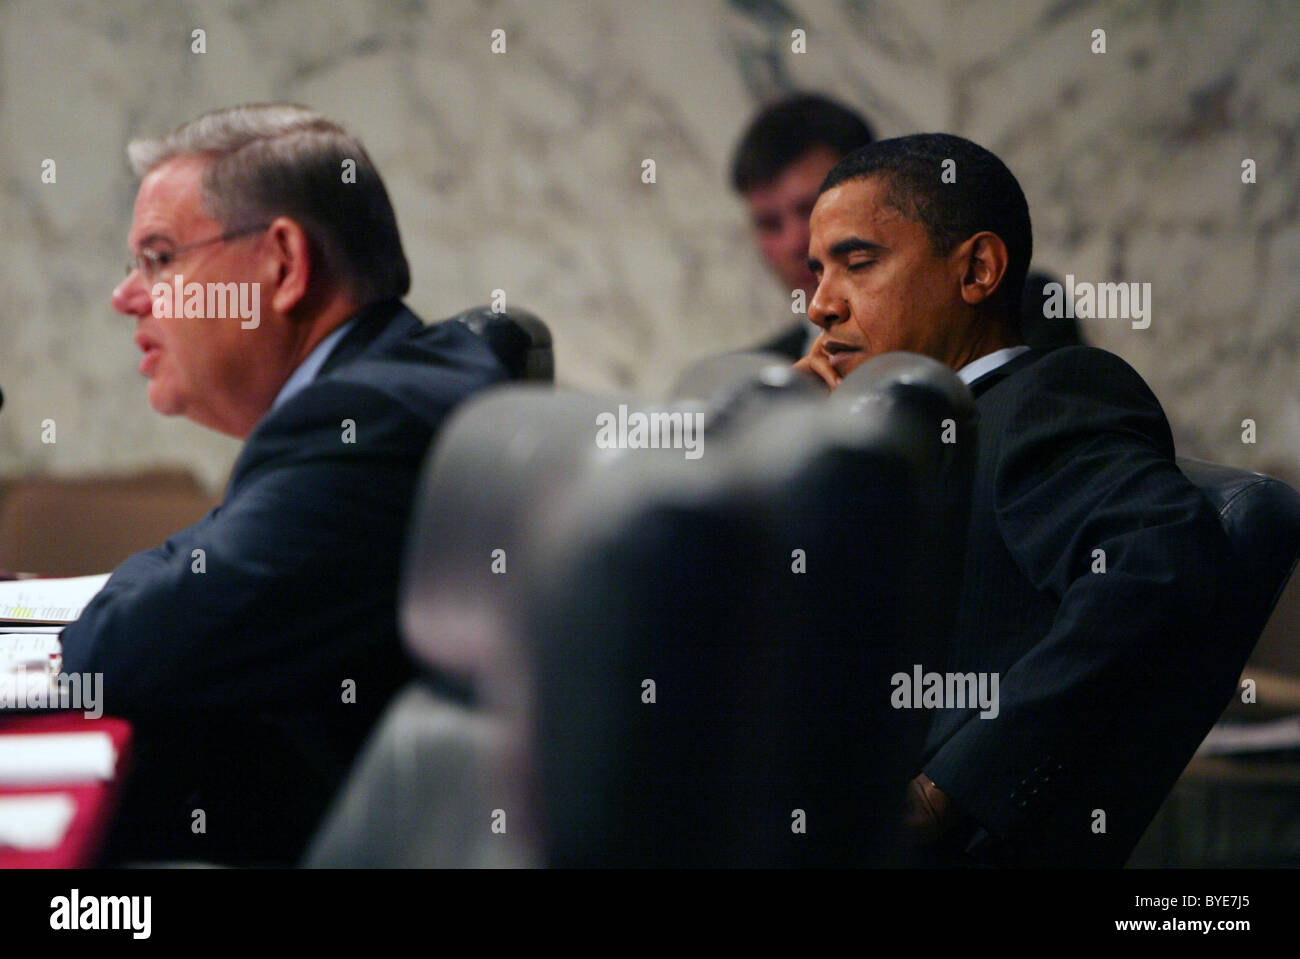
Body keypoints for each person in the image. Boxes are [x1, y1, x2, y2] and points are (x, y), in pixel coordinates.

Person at [59, 103, 508, 865]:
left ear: (283, 264)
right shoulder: (381, 389)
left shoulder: (367, 423)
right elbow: (189, 565)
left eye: (160, 259)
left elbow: (117, 650)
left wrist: (141, 586)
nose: (126, 296)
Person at [797, 133, 1249, 866]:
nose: (819, 305)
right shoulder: (891, 433)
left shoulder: (1043, 399)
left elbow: (1159, 564)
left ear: (977, 269)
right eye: (816, 272)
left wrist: (948, 786)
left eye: (858, 263)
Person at [729, 93, 874, 359]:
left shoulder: (957, 346)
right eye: (770, 224)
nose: (795, 243)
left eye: (812, 210)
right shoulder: (755, 388)